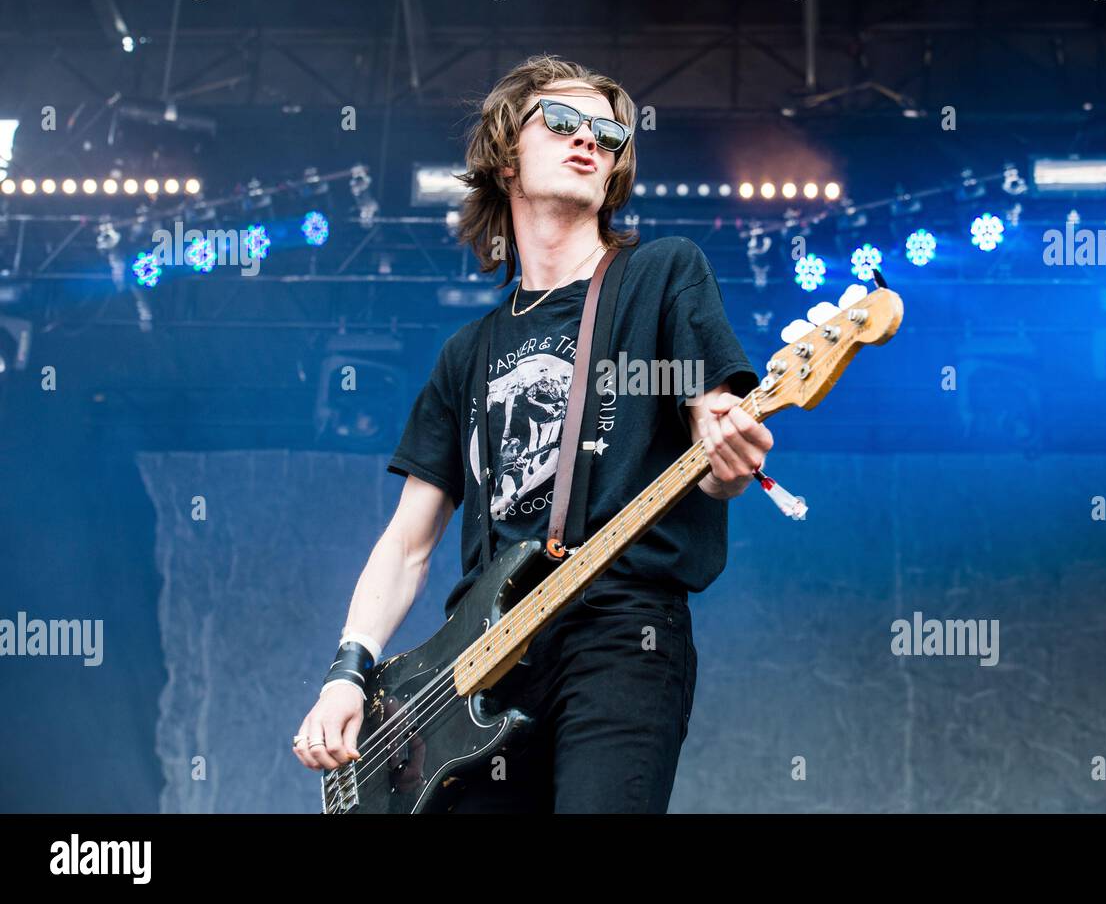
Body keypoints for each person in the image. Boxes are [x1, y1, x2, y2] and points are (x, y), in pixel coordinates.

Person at [293, 54, 773, 812]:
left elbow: (715, 439)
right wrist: (348, 671)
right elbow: (408, 543)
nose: (591, 140)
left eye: (610, 133)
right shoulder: (467, 353)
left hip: (619, 632)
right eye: (562, 121)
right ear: (504, 152)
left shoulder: (661, 277)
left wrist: (727, 457)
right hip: (477, 665)